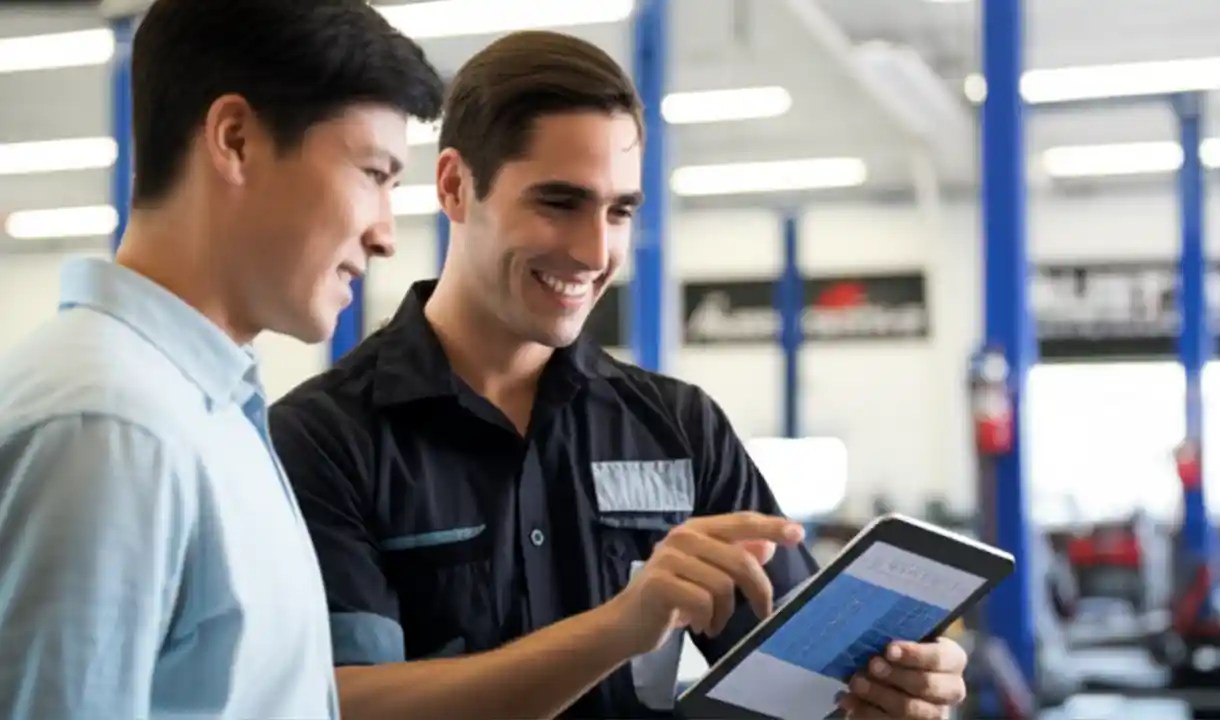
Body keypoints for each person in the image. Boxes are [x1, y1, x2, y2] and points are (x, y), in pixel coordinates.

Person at [270, 29, 967, 720]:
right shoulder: (325, 438)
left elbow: (799, 690)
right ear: (456, 186)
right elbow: (342, 703)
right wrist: (617, 628)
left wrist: (885, 693)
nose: (595, 250)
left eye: (621, 211)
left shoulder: (681, 429)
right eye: (559, 203)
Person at [0, 1, 443, 718]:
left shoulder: (201, 408)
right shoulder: (113, 428)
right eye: (373, 173)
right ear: (235, 139)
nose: (386, 234)